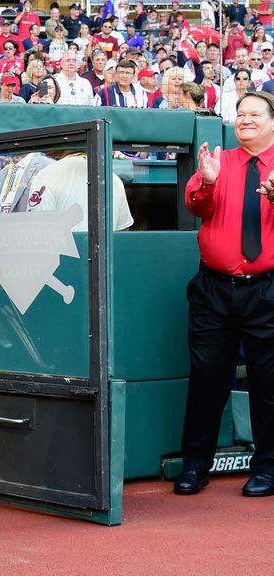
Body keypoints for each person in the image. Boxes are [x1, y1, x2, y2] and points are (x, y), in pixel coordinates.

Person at [174, 91, 274, 498]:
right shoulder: (218, 159)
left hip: (267, 291)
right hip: (213, 290)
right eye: (240, 114)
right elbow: (196, 207)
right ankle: (196, 465)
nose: (245, 119)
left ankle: (267, 467)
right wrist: (208, 182)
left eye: (254, 114)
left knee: (268, 383)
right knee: (206, 379)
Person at [27, 153, 133, 231]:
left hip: (63, 260)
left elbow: (36, 235)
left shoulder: (46, 176)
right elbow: (123, 234)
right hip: (103, 259)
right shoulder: (113, 178)